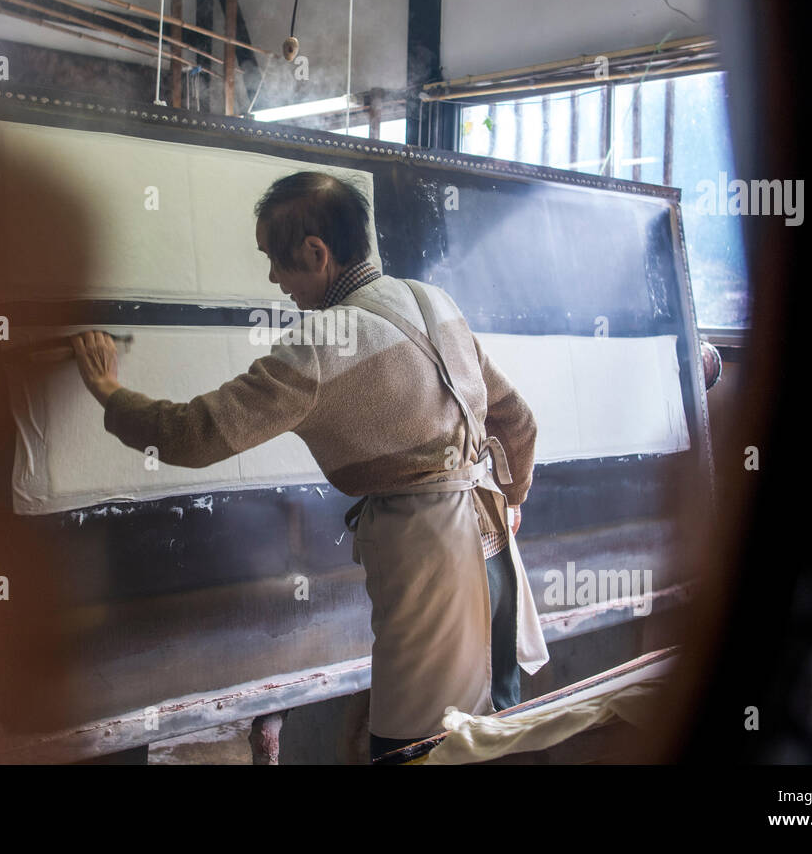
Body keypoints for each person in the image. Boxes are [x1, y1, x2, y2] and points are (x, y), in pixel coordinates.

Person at [72, 171, 550, 762]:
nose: (273, 279)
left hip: (433, 560)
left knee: (420, 748)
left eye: (275, 260)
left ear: (316, 253)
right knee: (495, 730)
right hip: (493, 547)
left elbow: (193, 435)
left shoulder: (322, 343)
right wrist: (514, 496)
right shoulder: (435, 301)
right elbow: (519, 420)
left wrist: (108, 392)